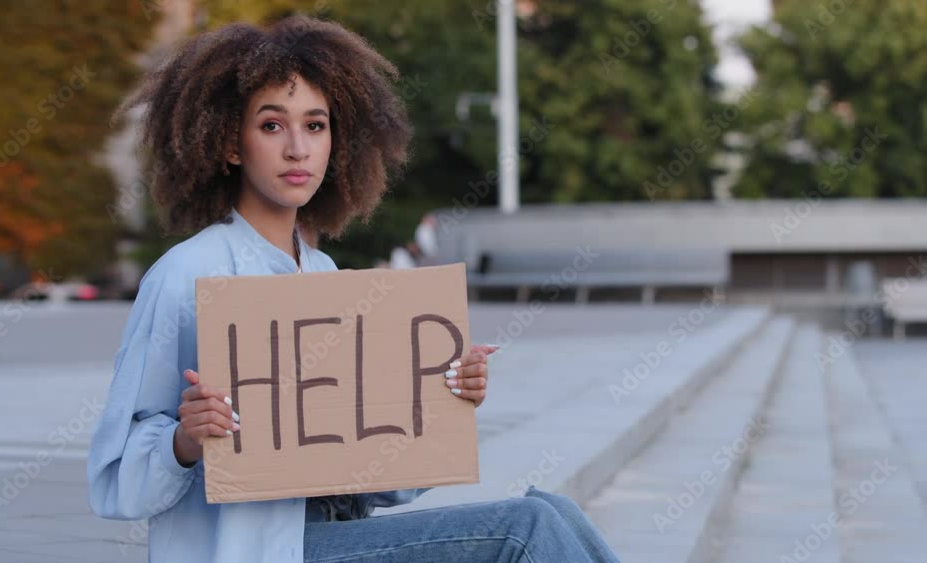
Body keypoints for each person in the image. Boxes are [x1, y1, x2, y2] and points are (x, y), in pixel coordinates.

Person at [86, 15, 620, 563]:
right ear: (230, 145)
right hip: (253, 551)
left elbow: (373, 485)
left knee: (556, 511)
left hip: (329, 538)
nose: (297, 149)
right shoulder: (186, 274)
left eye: (315, 126)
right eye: (272, 125)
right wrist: (184, 442)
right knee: (524, 528)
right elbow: (117, 484)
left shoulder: (325, 278)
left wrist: (441, 401)